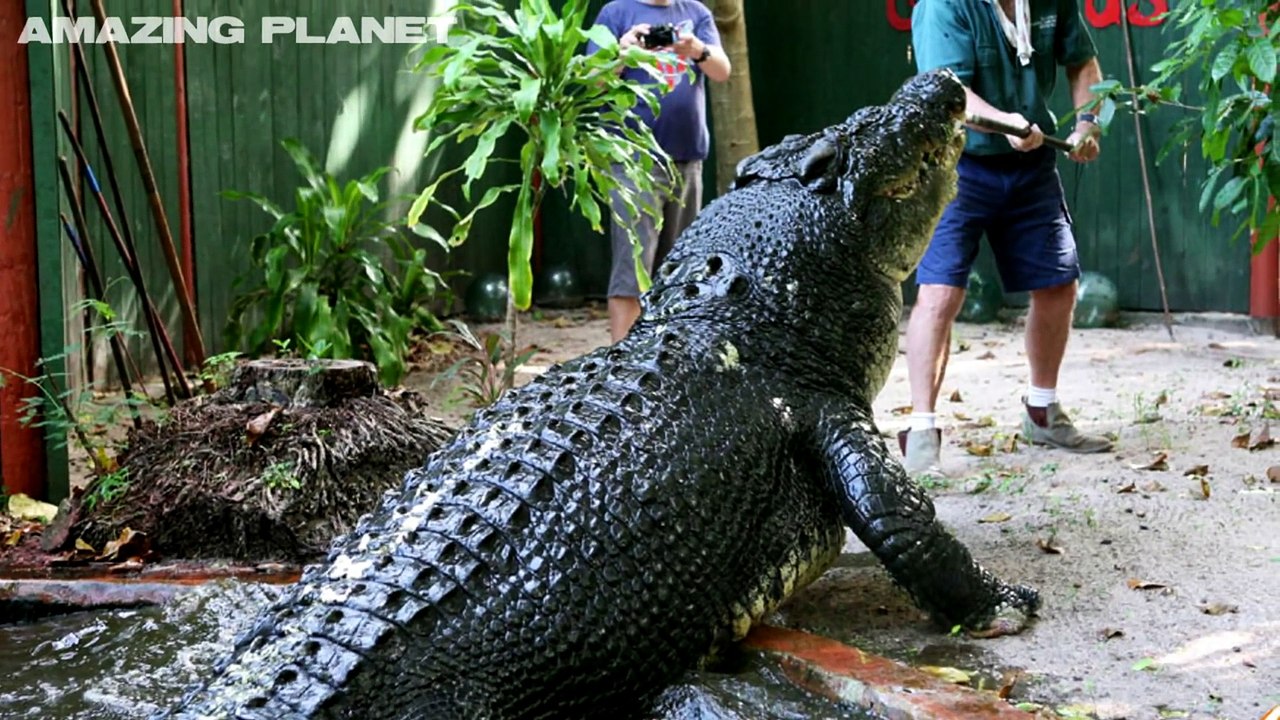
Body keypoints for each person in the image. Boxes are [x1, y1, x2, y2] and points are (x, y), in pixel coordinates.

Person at [901, 0, 1114, 476]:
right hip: (956, 164)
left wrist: (1087, 122)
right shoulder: (943, 7)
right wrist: (1006, 122)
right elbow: (950, 93)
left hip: (1030, 164)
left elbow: (1082, 61)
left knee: (1059, 284)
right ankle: (921, 430)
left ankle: (1042, 411)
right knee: (940, 294)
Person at [585, 0, 731, 343]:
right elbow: (592, 82)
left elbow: (723, 71)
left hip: (687, 160)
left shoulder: (696, 13)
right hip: (634, 162)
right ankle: (623, 364)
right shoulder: (616, 13)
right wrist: (622, 52)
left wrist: (697, 50)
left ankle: (667, 359)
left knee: (680, 271)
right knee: (631, 271)